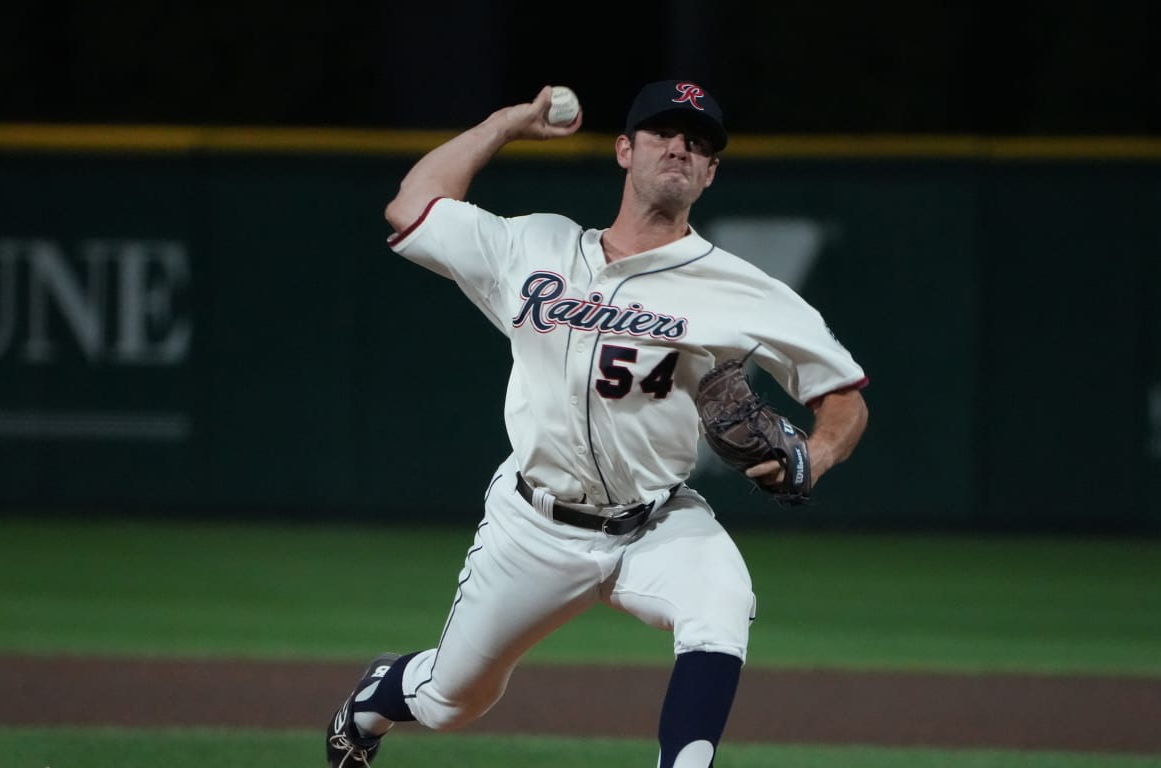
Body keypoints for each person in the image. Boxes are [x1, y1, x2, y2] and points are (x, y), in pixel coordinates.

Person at [326, 79, 869, 768]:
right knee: (453, 700)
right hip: (534, 527)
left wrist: (816, 456)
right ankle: (378, 693)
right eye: (663, 134)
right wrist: (504, 123)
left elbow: (844, 394)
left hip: (657, 521)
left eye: (698, 143)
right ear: (625, 150)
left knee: (722, 601)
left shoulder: (743, 290)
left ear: (710, 173)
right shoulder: (535, 248)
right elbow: (412, 207)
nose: (680, 147)